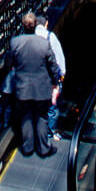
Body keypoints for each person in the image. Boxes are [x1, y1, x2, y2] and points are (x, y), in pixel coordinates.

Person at [9, 11, 61, 158]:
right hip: (41, 88)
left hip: (22, 88)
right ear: (35, 26)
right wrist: (55, 83)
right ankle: (44, 148)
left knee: (26, 117)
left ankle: (27, 147)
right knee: (41, 118)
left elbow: (9, 63)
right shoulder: (44, 43)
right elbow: (53, 66)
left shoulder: (15, 42)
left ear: (23, 26)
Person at [35, 9, 67, 144]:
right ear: (46, 24)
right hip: (50, 79)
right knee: (52, 107)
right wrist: (62, 75)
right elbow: (59, 58)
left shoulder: (28, 37)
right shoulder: (50, 37)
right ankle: (49, 133)